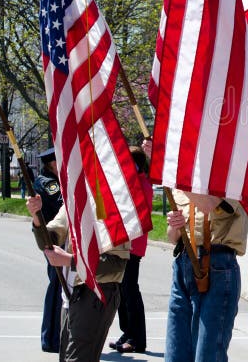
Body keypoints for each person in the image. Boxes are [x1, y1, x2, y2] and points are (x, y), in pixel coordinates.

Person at [26, 194, 130, 361]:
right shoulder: (74, 193)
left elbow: (116, 265)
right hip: (70, 295)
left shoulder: (112, 200)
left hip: (95, 293)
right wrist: (37, 216)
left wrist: (70, 261)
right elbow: (48, 239)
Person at [165, 189, 248, 362]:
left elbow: (208, 205)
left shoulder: (230, 174)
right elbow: (173, 237)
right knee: (175, 354)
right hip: (183, 264)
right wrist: (174, 225)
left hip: (218, 266)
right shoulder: (181, 184)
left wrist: (182, 178)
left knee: (207, 355)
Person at [109, 147, 154, 353]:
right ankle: (128, 330)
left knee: (130, 290)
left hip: (133, 244)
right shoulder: (130, 181)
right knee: (121, 290)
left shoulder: (141, 183)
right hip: (121, 243)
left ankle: (137, 338)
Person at [34, 147, 64, 353]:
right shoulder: (48, 183)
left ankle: (56, 335)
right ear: (52, 163)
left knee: (60, 286)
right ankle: (51, 338)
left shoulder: (53, 179)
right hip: (53, 238)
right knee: (57, 286)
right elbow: (62, 201)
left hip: (57, 236)